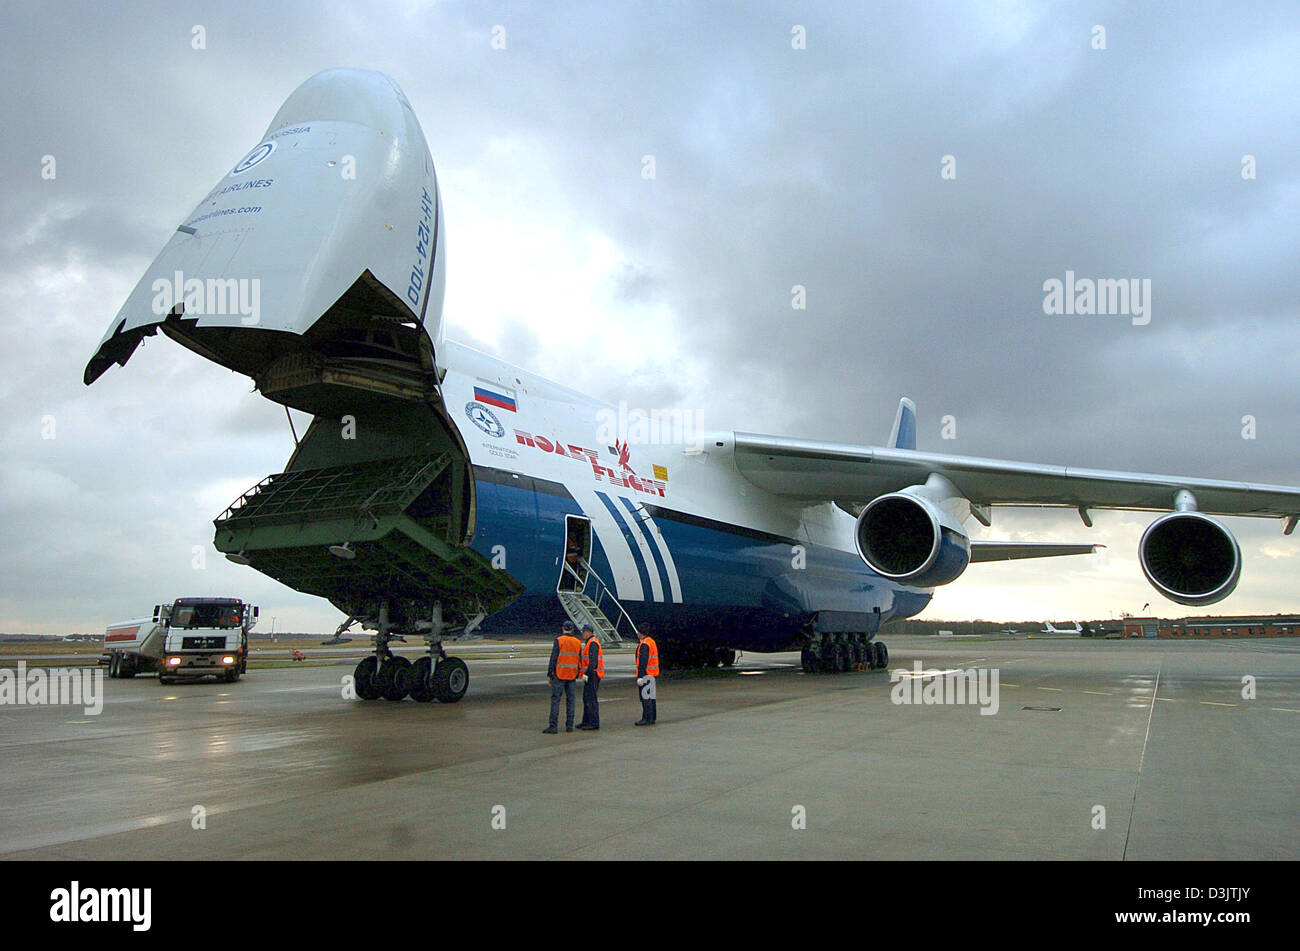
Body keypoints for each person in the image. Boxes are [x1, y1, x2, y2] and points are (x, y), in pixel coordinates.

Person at [543, 621, 582, 733]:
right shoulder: (578, 642)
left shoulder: (559, 641)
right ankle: (569, 725)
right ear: (572, 629)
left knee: (556, 700)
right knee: (571, 700)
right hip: (572, 674)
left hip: (559, 674)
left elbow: (553, 658)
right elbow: (579, 659)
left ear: (563, 628)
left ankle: (553, 726)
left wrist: (550, 673)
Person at [577, 623, 603, 730]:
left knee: (591, 700)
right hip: (591, 675)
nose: (582, 634)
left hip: (593, 675)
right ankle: (586, 721)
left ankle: (593, 723)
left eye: (583, 632)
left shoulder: (592, 644)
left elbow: (593, 662)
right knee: (586, 698)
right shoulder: (589, 643)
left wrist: (586, 674)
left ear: (588, 632)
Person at [633, 628, 659, 726]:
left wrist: (640, 676)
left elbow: (642, 662)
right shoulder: (651, 642)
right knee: (651, 697)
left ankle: (647, 718)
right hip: (652, 674)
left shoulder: (644, 645)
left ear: (641, 633)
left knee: (645, 698)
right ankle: (652, 717)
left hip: (646, 675)